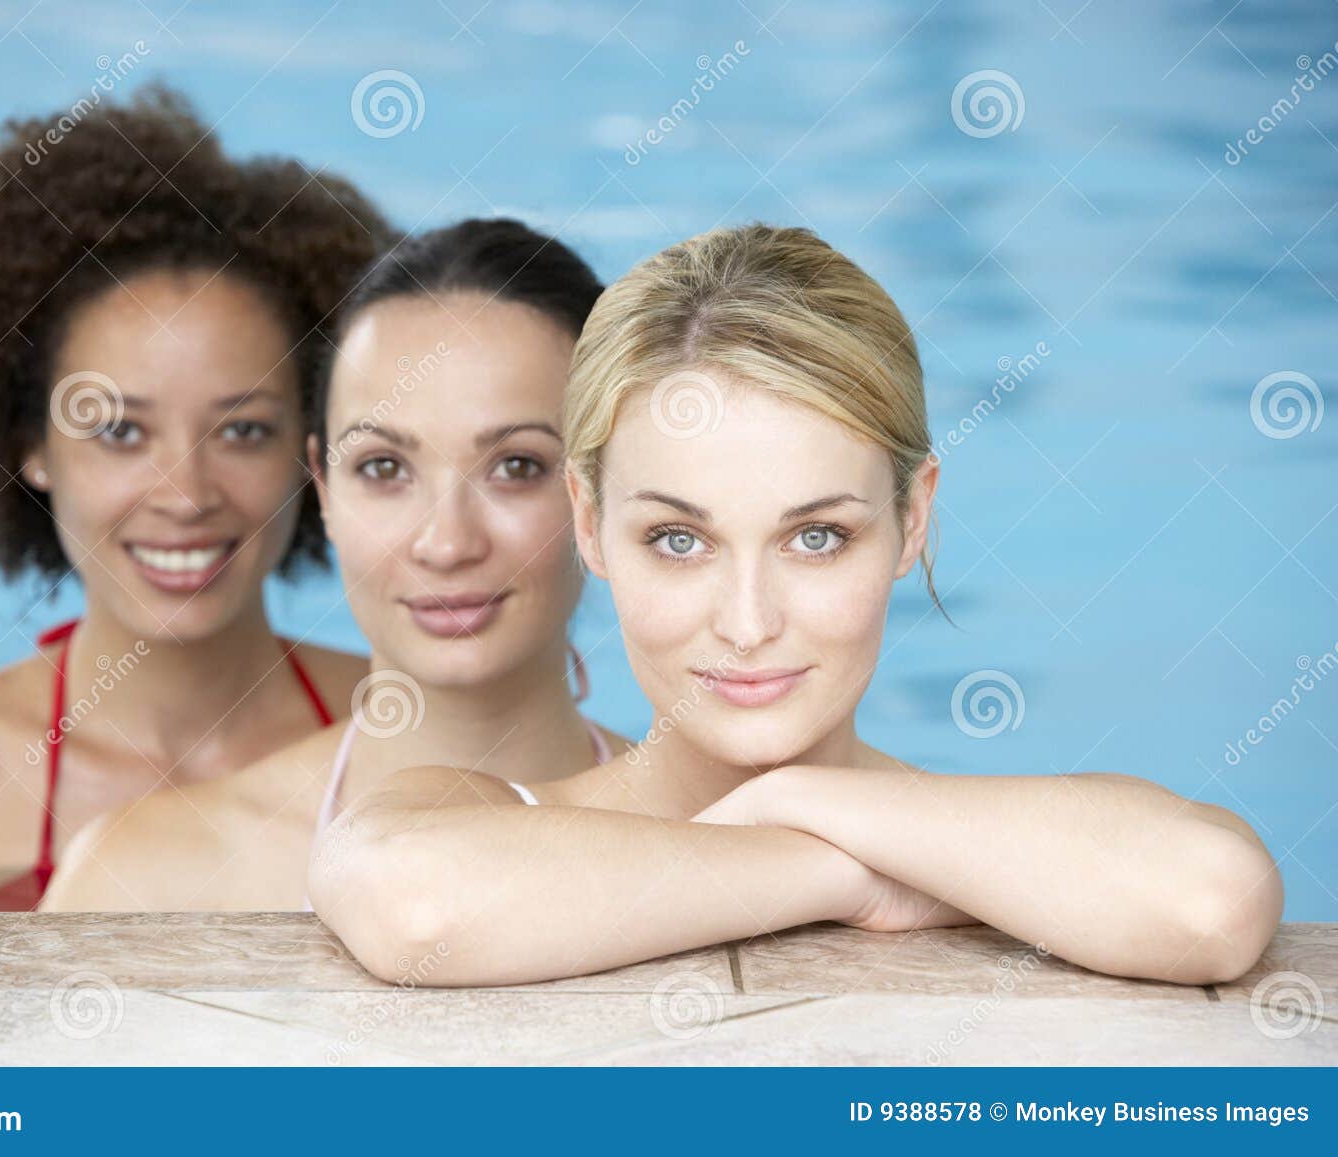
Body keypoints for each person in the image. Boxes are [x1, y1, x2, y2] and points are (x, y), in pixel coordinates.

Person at [307, 223, 1283, 987]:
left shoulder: (977, 836)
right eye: (677, 539)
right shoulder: (473, 813)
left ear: (912, 518)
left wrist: (803, 798)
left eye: (816, 536)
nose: (746, 619)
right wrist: (840, 868)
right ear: (591, 523)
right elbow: (417, 904)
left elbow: (1211, 898)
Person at [0, 86, 388, 911]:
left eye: (243, 430)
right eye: (119, 431)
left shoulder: (407, 731)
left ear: (313, 452)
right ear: (30, 443)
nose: (187, 493)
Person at [40, 218, 626, 911]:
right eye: (384, 467)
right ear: (321, 485)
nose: (446, 542)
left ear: (604, 486)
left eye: (517, 466)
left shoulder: (722, 836)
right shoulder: (142, 874)